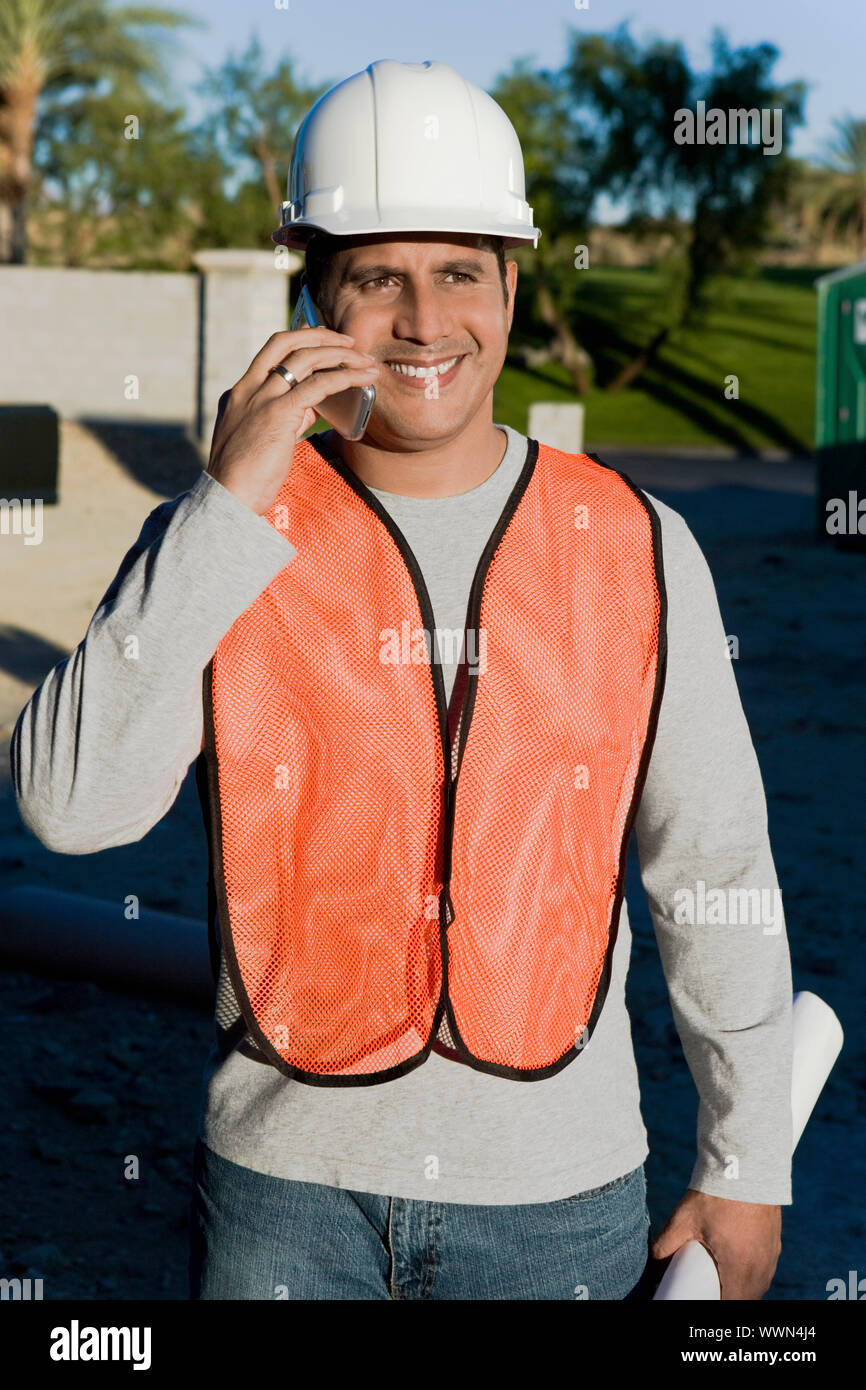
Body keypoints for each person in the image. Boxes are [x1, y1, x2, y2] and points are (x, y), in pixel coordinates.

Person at [10, 59, 792, 1301]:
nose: (423, 322)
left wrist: (746, 1157)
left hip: (557, 1203)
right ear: (314, 293)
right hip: (282, 1200)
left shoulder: (635, 541)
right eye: (377, 277)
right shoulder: (225, 534)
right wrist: (224, 503)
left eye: (456, 274)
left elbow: (710, 865)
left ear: (511, 286)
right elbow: (70, 807)